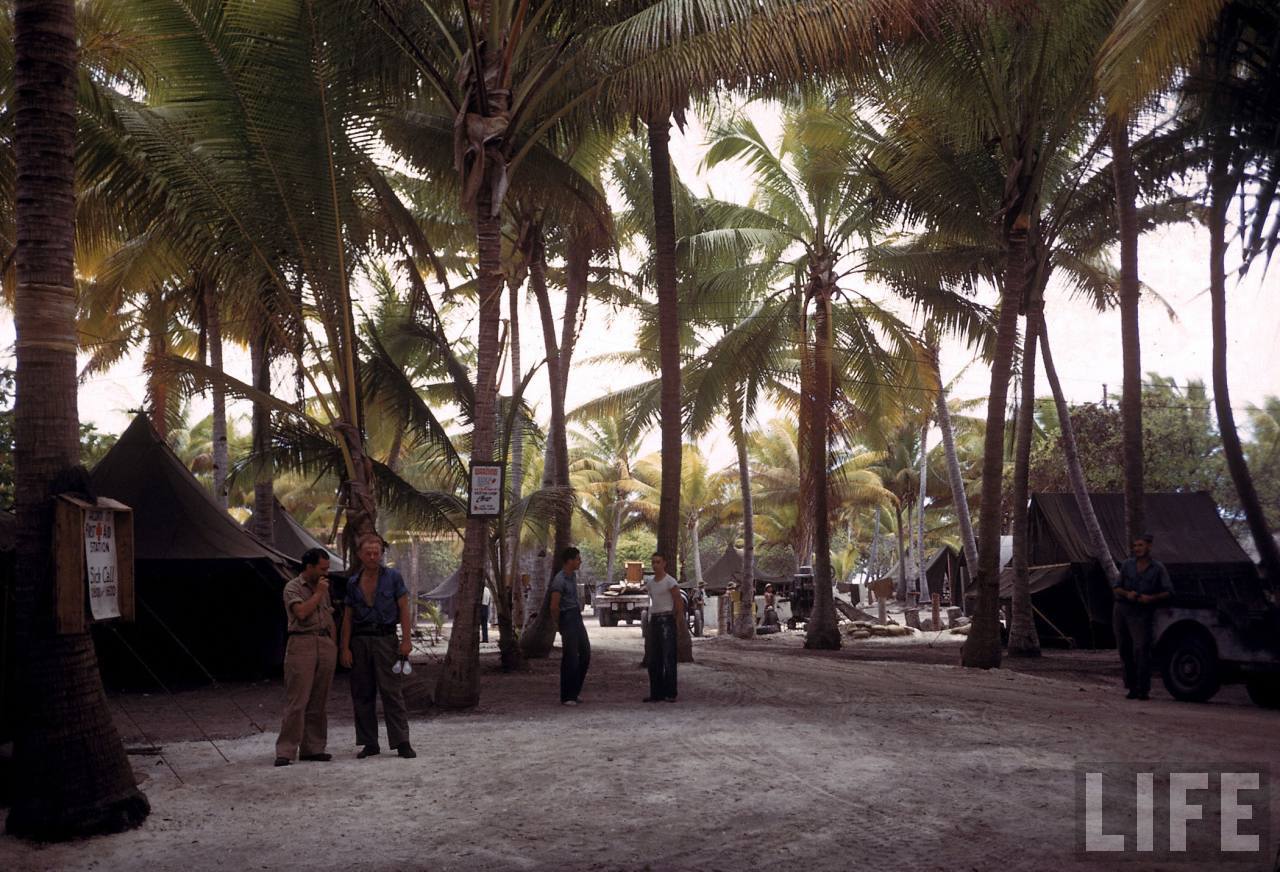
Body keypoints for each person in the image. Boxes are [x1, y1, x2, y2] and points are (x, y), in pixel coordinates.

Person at [340, 535, 416, 758]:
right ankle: (369, 742)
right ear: (360, 555)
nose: (373, 557)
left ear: (382, 554)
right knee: (362, 693)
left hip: (386, 640)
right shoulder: (353, 582)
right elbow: (347, 617)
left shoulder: (393, 577)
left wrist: (406, 640)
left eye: (377, 553)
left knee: (392, 692)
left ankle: (402, 742)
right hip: (360, 640)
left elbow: (403, 608)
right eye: (368, 553)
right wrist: (344, 648)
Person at [274, 548, 337, 767]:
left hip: (324, 642)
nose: (326, 574)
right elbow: (301, 613)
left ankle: (314, 748)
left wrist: (333, 645)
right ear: (309, 567)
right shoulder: (293, 587)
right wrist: (318, 593)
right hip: (302, 643)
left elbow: (328, 616)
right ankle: (286, 750)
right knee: (297, 700)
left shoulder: (325, 588)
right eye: (322, 569)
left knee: (319, 700)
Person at [1111, 533, 1173, 700]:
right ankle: (1131, 687)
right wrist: (1127, 594)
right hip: (1123, 608)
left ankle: (1143, 689)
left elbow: (1168, 592)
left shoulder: (1158, 568)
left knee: (1141, 649)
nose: (1137, 549)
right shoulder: (1127, 565)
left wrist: (1151, 598)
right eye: (1136, 546)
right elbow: (1116, 587)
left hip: (1142, 612)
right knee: (1124, 648)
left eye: (1141, 545)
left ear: (1149, 547)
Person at [549, 546, 589, 706]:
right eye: (578, 559)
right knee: (570, 657)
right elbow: (554, 605)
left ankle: (575, 691)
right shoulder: (559, 580)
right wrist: (559, 624)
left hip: (576, 616)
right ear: (570, 561)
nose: (580, 562)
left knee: (585, 653)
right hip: (567, 617)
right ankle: (567, 695)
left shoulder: (572, 576)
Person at [644, 552, 682, 702]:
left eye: (658, 562)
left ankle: (670, 693)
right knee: (654, 658)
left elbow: (678, 602)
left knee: (668, 657)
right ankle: (656, 693)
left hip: (667, 619)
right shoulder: (650, 583)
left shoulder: (670, 582)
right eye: (653, 562)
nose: (655, 565)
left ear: (664, 563)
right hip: (654, 619)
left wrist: (678, 623)